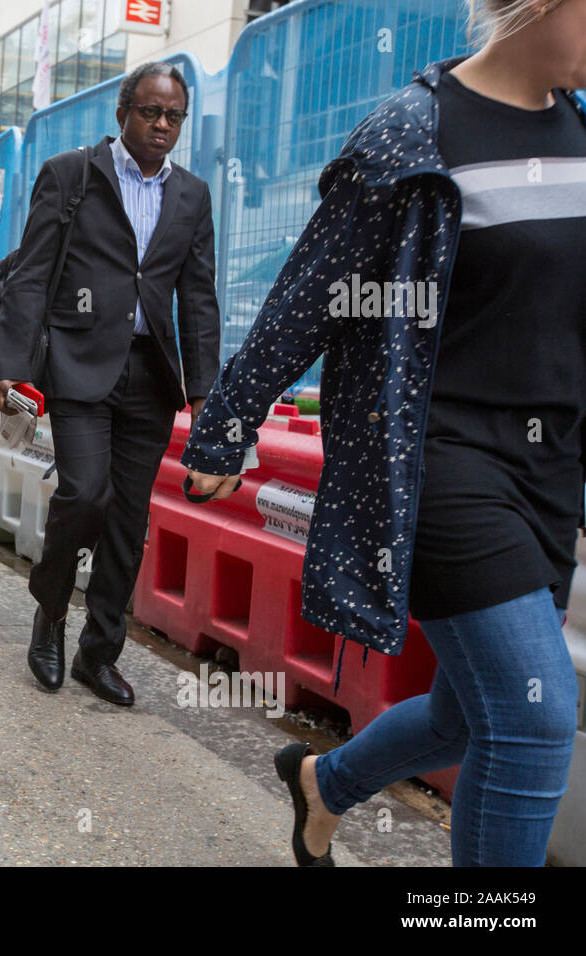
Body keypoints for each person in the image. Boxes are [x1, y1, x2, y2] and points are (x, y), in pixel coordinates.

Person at [184, 0, 585, 866]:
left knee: (464, 713)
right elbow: (311, 296)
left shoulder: (580, 135)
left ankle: (323, 784)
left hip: (548, 472)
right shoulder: (415, 133)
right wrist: (224, 430)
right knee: (533, 718)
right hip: (436, 460)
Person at [0, 61, 220, 707]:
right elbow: (32, 274)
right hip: (79, 364)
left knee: (128, 519)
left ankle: (100, 652)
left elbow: (199, 299)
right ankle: (51, 613)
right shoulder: (72, 174)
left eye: (174, 115)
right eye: (151, 112)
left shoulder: (193, 196)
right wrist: (10, 370)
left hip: (151, 376)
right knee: (85, 495)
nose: (162, 125)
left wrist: (206, 397)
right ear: (123, 113)